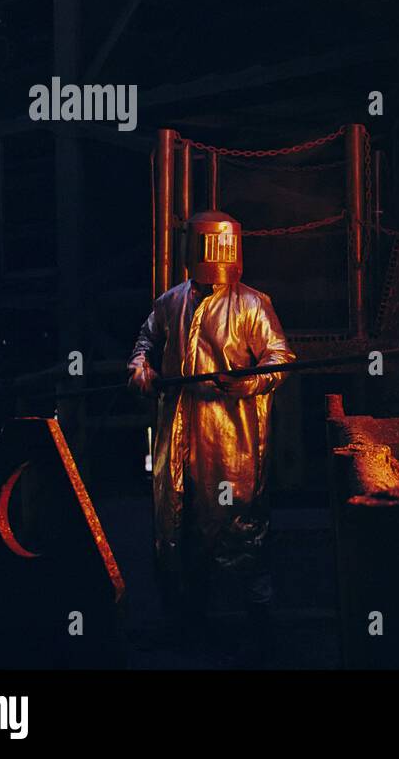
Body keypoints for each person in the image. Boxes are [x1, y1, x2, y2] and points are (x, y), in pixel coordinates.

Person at [127, 210, 295, 663]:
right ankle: (186, 625)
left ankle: (260, 629)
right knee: (175, 528)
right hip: (176, 435)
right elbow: (145, 343)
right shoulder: (170, 303)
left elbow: (279, 356)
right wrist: (142, 370)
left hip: (229, 439)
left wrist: (248, 381)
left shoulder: (252, 304)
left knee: (238, 525)